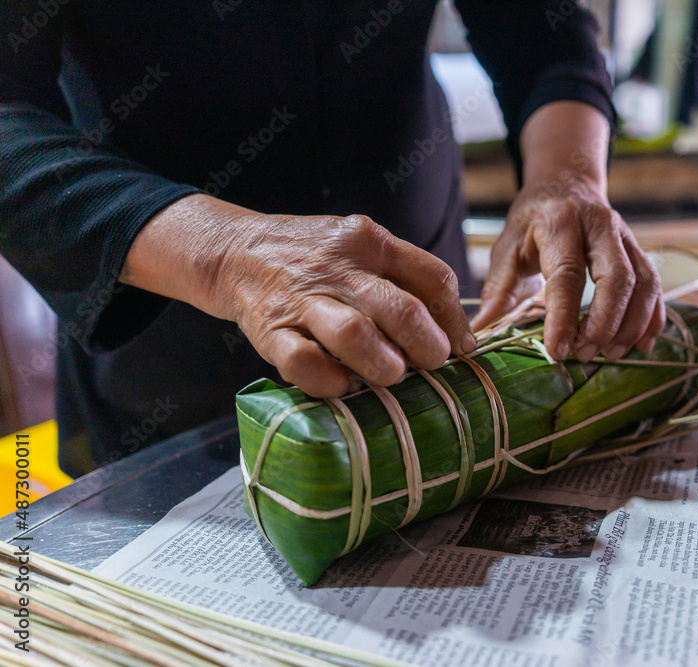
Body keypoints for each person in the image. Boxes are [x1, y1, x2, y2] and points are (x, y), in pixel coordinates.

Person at [0, 1, 664, 477]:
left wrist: (567, 178)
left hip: (422, 298)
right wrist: (223, 253)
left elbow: (541, 34)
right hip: (163, 350)